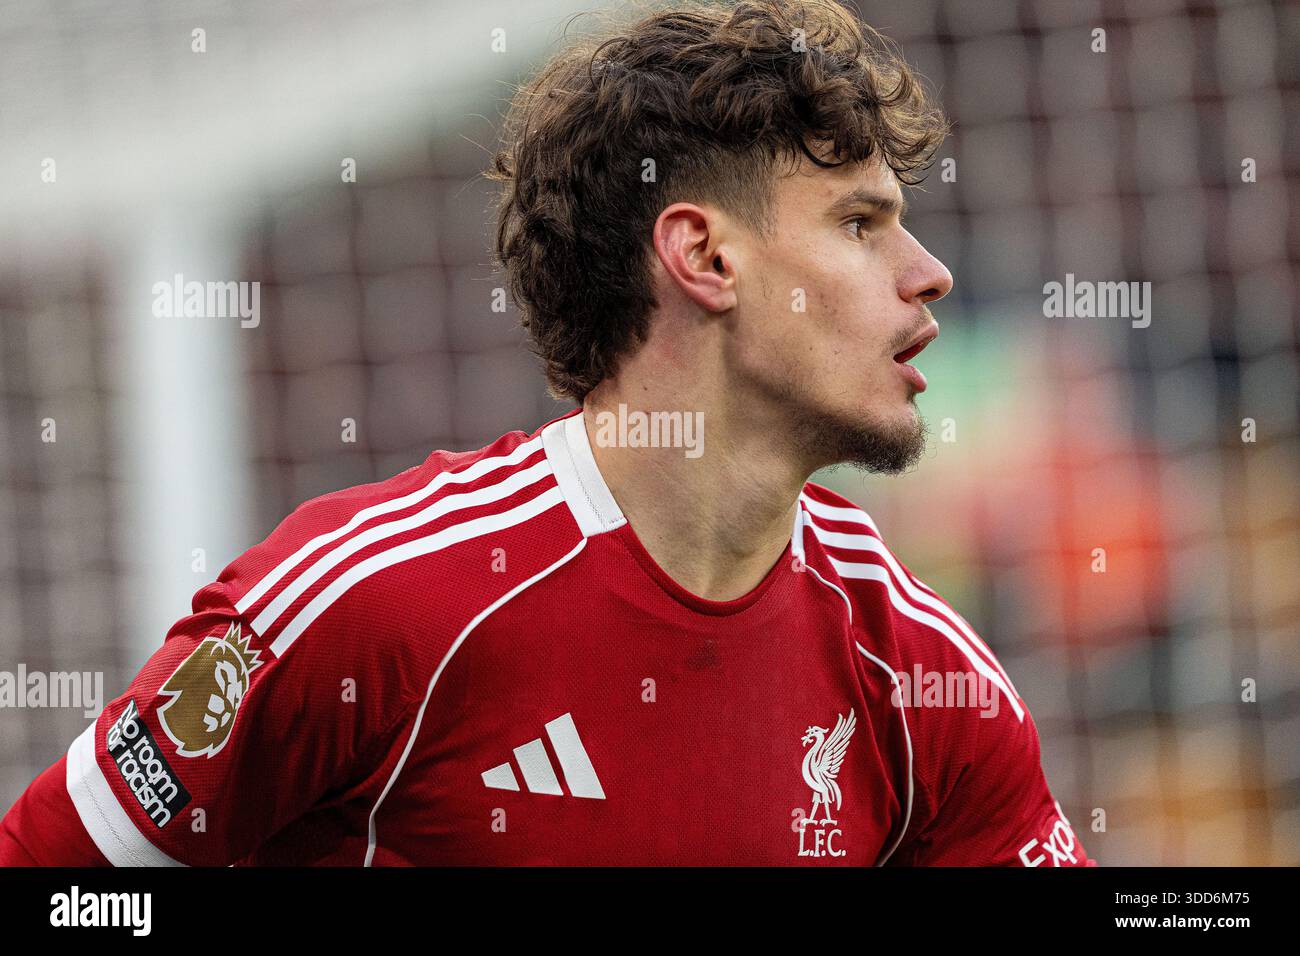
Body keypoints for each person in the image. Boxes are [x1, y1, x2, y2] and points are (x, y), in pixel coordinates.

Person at [0, 0, 1092, 866]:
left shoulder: (919, 675)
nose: (928, 273)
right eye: (860, 223)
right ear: (703, 257)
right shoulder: (372, 602)